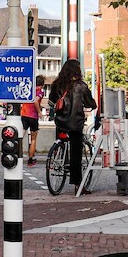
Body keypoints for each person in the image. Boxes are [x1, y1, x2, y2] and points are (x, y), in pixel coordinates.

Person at [50, 59, 97, 195]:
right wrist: (90, 105)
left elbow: (52, 101)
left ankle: (59, 157)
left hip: (60, 122)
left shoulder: (57, 84)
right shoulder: (81, 86)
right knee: (76, 154)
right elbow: (91, 104)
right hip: (75, 123)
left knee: (62, 140)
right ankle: (78, 185)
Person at [22, 75, 46, 166]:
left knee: (20, 137)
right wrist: (39, 112)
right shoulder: (40, 91)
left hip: (24, 114)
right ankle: (30, 160)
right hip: (33, 116)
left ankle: (16, 155)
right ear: (42, 85)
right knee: (33, 139)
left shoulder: (28, 88)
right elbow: (36, 101)